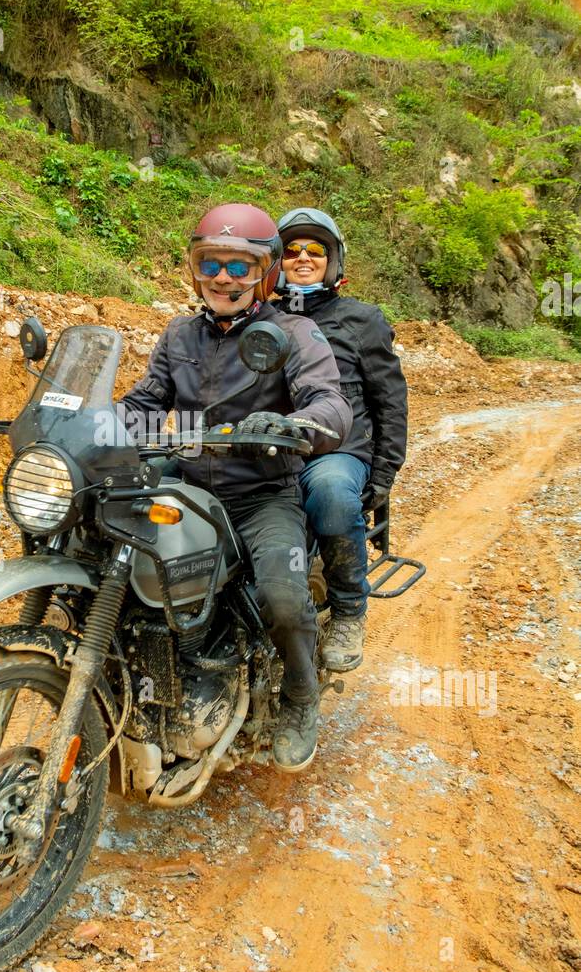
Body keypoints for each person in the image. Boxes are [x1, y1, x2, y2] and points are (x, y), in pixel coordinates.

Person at [121, 203, 352, 772]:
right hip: (189, 485)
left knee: (280, 592)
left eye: (239, 266)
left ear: (264, 273)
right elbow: (146, 405)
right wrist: (90, 426)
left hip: (262, 492)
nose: (224, 277)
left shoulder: (294, 332)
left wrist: (298, 425)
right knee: (114, 554)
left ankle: (301, 697)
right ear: (196, 269)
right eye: (212, 263)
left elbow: (330, 401)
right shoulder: (179, 335)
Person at [275, 207, 408, 672]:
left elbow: (390, 400)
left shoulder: (362, 320)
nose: (304, 257)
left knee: (330, 492)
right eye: (292, 250)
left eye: (316, 250)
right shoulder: (259, 316)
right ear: (276, 260)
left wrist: (386, 472)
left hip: (338, 449)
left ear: (334, 261)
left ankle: (350, 610)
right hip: (272, 446)